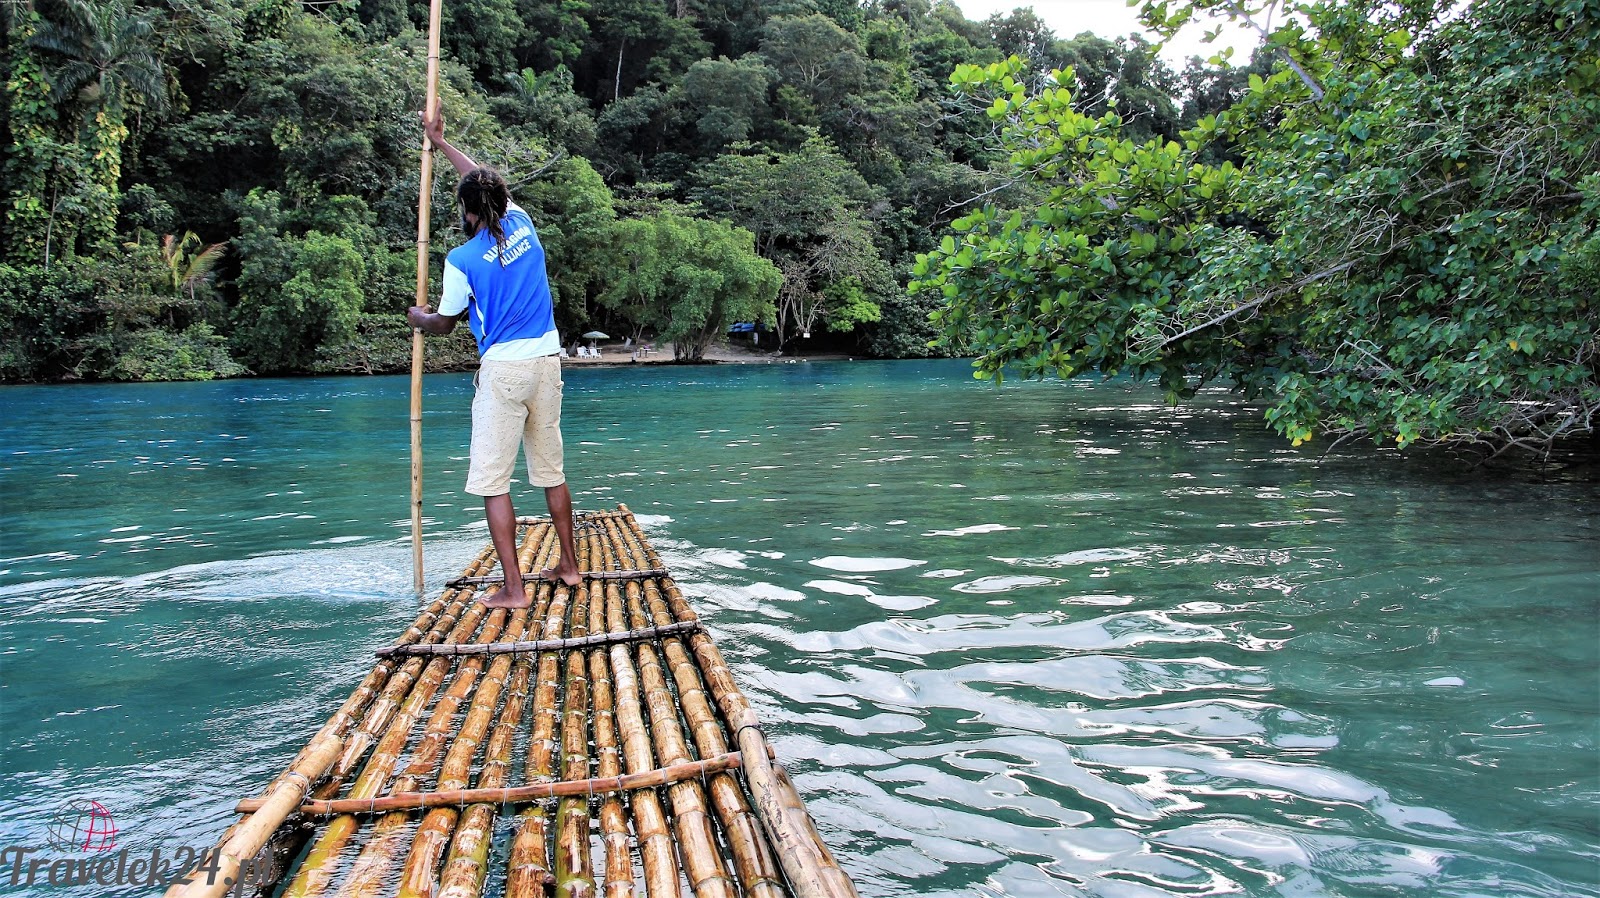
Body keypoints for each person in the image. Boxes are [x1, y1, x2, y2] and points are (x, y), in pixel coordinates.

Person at [408, 104, 581, 608]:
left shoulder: (460, 260)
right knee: (551, 470)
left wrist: (417, 317)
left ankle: (514, 589)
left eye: (464, 209)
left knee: (492, 480)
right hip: (548, 363)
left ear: (472, 212)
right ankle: (568, 566)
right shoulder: (523, 222)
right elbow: (480, 179)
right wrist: (440, 144)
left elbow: (445, 322)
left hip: (505, 370)